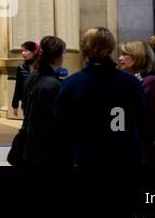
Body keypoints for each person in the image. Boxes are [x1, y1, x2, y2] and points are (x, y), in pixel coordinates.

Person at [55, 27, 146, 166]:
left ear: (84, 50)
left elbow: (62, 125)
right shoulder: (131, 82)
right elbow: (142, 117)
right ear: (111, 48)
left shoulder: (71, 84)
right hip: (124, 154)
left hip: (87, 156)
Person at [8, 35, 67, 166]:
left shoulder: (33, 76)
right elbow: (54, 120)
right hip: (44, 147)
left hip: (29, 142)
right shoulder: (52, 85)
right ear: (58, 57)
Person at [10, 40, 38, 117]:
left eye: (25, 51)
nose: (23, 53)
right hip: (26, 102)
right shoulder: (21, 68)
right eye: (22, 51)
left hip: (39, 101)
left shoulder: (41, 67)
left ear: (34, 52)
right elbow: (18, 87)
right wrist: (15, 105)